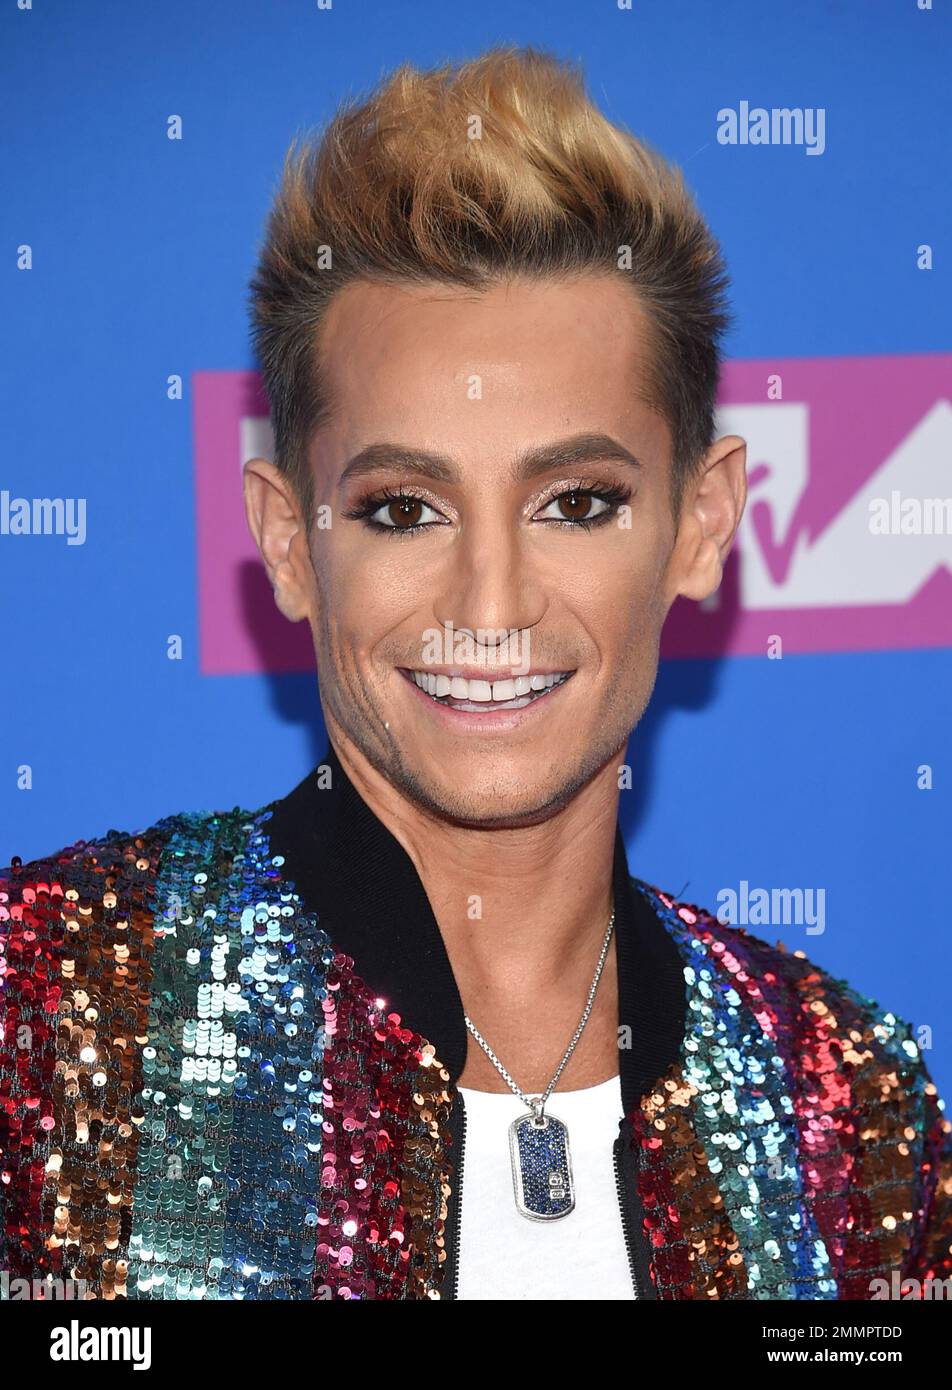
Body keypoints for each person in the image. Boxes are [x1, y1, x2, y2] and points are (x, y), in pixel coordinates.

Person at [2, 46, 949, 1303]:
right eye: (403, 508)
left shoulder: (850, 1103)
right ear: (291, 543)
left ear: (703, 523)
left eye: (576, 500)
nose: (490, 606)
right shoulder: (44, 1012)